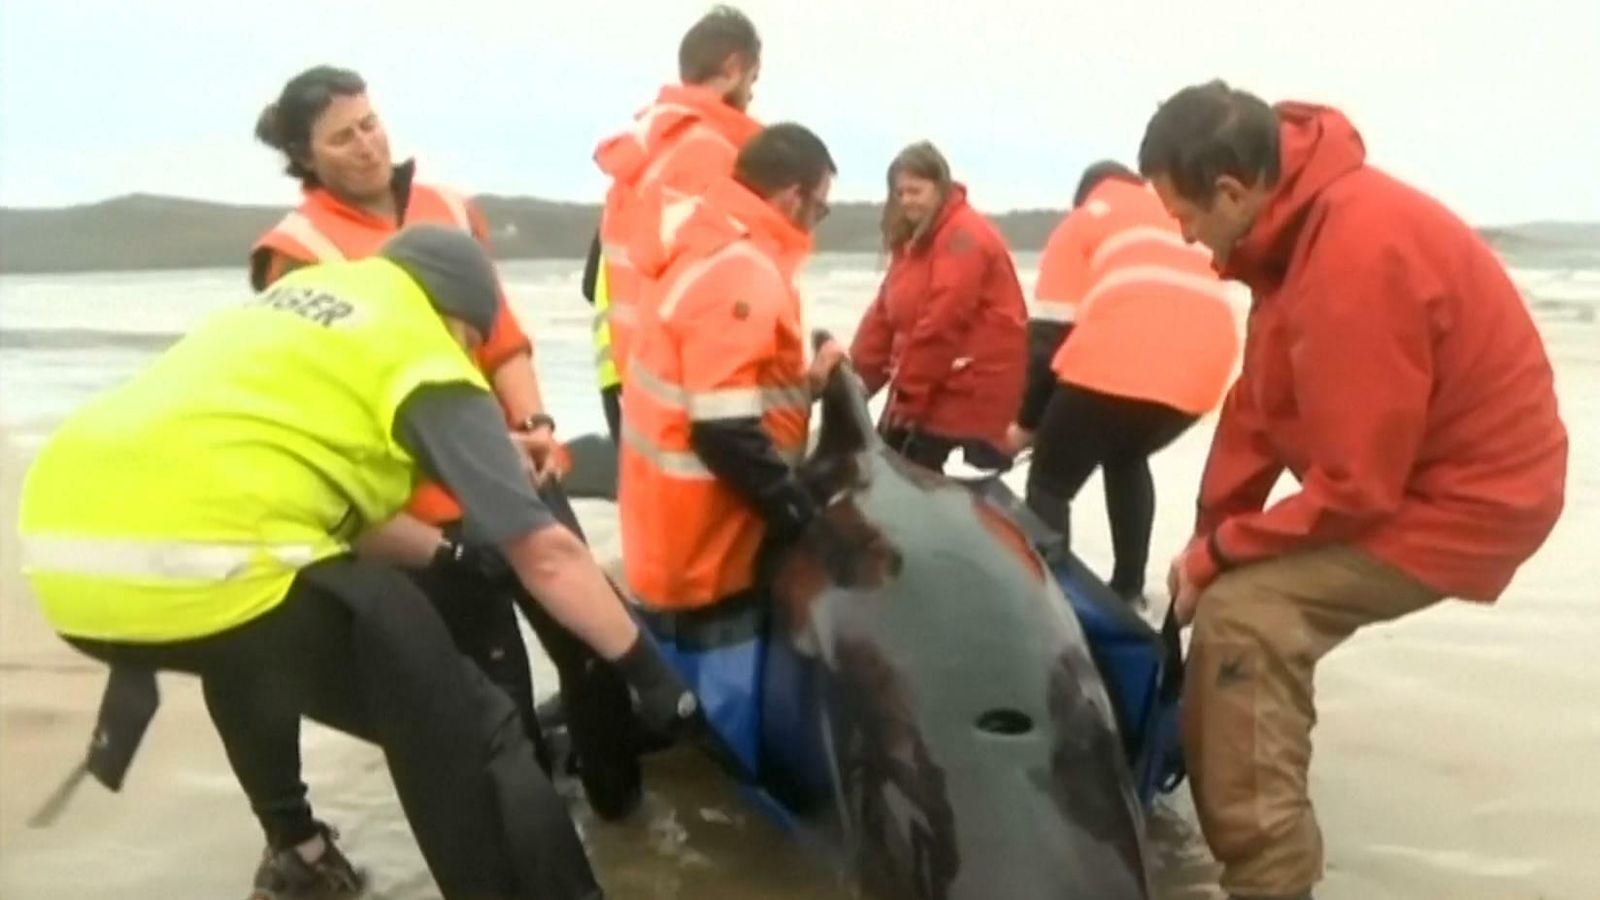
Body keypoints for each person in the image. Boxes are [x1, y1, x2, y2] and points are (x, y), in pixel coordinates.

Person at [17, 225, 703, 900]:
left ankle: (300, 852)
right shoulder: (425, 350)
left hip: (66, 559)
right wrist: (653, 677)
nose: (469, 357)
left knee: (244, 650)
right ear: (460, 319)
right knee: (475, 724)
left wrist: (454, 555)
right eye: (472, 343)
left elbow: (334, 511)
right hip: (216, 554)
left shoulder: (304, 308)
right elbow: (548, 554)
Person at [1140, 81, 1568, 900]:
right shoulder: (1288, 235)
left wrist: (1223, 558)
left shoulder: (1353, 255)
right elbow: (1259, 407)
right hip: (1407, 475)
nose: (1186, 237)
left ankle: (1270, 882)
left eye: (1183, 217)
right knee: (1226, 586)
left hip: (1477, 498)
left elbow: (1357, 489)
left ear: (1231, 191)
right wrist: (1208, 539)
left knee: (1249, 616)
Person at [252, 65, 644, 818]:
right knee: (497, 687)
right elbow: (325, 394)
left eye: (370, 124)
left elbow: (500, 335)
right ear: (305, 157)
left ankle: (626, 825)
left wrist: (533, 425)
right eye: (342, 138)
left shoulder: (452, 209)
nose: (367, 145)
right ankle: (538, 837)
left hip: (508, 466)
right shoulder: (296, 249)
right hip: (421, 506)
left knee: (591, 644)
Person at [618, 123, 852, 769]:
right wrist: (800, 516)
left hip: (667, 531)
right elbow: (722, 430)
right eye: (821, 207)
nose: (818, 222)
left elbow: (729, 388)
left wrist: (807, 385)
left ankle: (669, 787)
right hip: (710, 548)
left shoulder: (708, 248)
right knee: (727, 724)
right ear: (793, 196)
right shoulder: (742, 270)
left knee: (676, 698)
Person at [1007, 160, 1239, 603]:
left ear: (1085, 195)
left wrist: (1026, 424)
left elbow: (1049, 337)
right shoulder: (1173, 218)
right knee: (1127, 455)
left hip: (1117, 361)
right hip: (1204, 375)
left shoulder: (1083, 221)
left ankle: (1052, 603)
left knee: (1050, 482)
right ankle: (1130, 589)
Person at [587, 4, 765, 441]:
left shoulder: (645, 150)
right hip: (683, 388)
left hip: (630, 374)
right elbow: (714, 288)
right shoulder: (708, 152)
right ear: (734, 69)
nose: (752, 96)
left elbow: (597, 276)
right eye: (754, 79)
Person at [848, 141, 1027, 472]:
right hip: (932, 384)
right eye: (900, 193)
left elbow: (941, 322)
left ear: (940, 186)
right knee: (885, 464)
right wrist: (854, 382)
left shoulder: (963, 237)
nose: (906, 200)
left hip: (969, 391)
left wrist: (906, 401)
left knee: (900, 471)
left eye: (915, 191)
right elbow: (885, 318)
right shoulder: (915, 245)